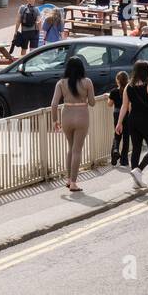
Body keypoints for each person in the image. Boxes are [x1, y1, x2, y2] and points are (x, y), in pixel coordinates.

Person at [114, 60, 148, 190]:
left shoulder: (128, 86)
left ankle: (136, 182)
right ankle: (139, 170)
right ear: (146, 71)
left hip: (133, 121)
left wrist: (119, 123)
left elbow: (124, 107)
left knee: (136, 149)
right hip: (147, 121)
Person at [50, 57, 96, 193]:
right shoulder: (87, 82)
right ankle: (74, 183)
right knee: (77, 150)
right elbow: (92, 102)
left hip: (66, 116)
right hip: (82, 116)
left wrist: (54, 120)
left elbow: (54, 104)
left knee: (70, 148)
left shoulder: (61, 83)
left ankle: (69, 179)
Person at [108, 71, 131, 166]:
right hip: (127, 114)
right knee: (126, 137)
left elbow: (109, 104)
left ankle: (115, 153)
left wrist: (108, 97)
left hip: (117, 113)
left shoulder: (113, 91)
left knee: (117, 134)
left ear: (117, 80)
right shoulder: (129, 90)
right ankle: (124, 160)